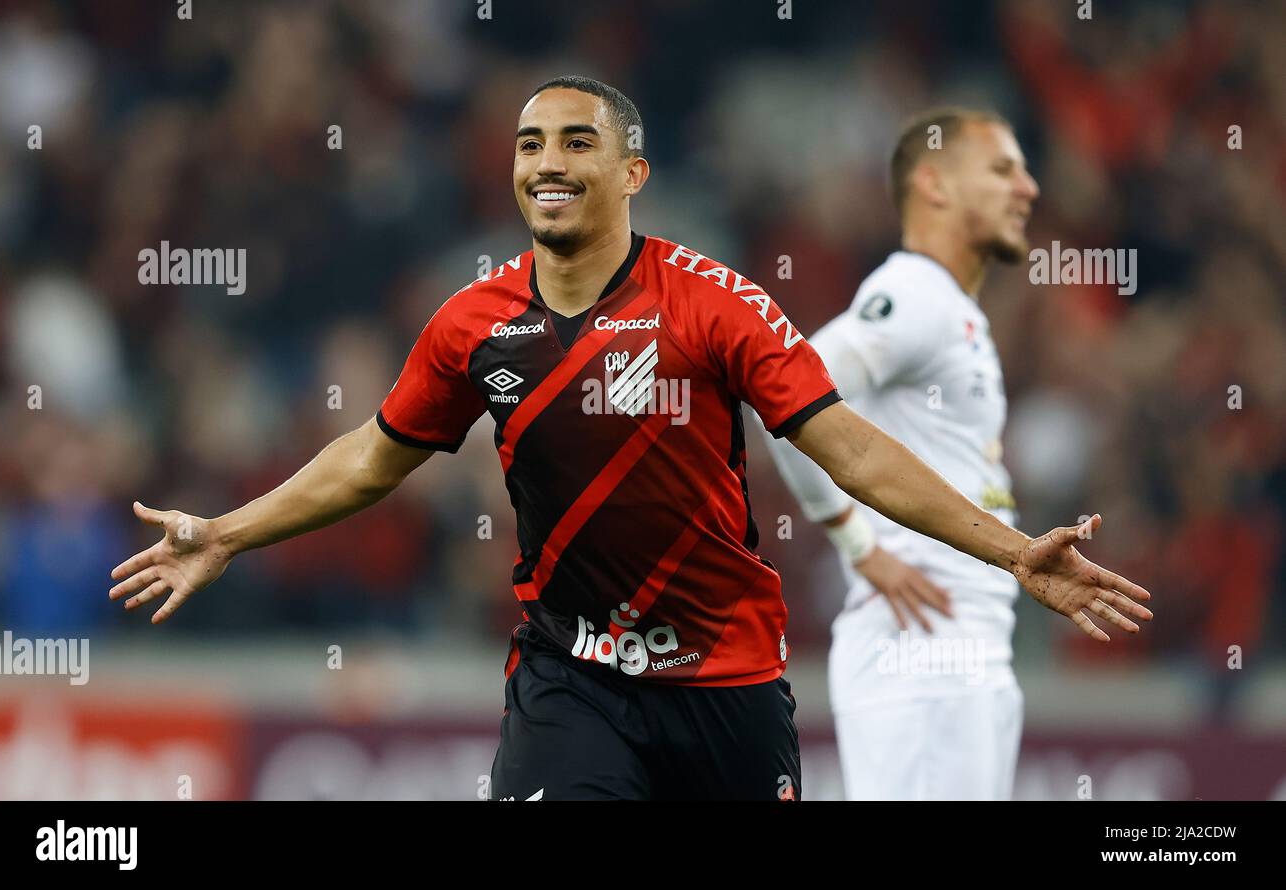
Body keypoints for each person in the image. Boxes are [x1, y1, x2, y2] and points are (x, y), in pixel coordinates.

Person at [109, 79, 1151, 801]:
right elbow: (373, 454)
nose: (546, 163)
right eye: (529, 144)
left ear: (634, 172)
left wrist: (1014, 551)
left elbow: (852, 447)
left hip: (725, 683)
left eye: (575, 142)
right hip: (571, 676)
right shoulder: (473, 321)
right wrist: (230, 533)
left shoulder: (715, 303)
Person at [764, 107, 1056, 800]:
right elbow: (784, 387)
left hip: (964, 644)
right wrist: (857, 542)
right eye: (1002, 168)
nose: (1029, 188)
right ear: (935, 184)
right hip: (921, 651)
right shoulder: (912, 293)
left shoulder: (953, 308)